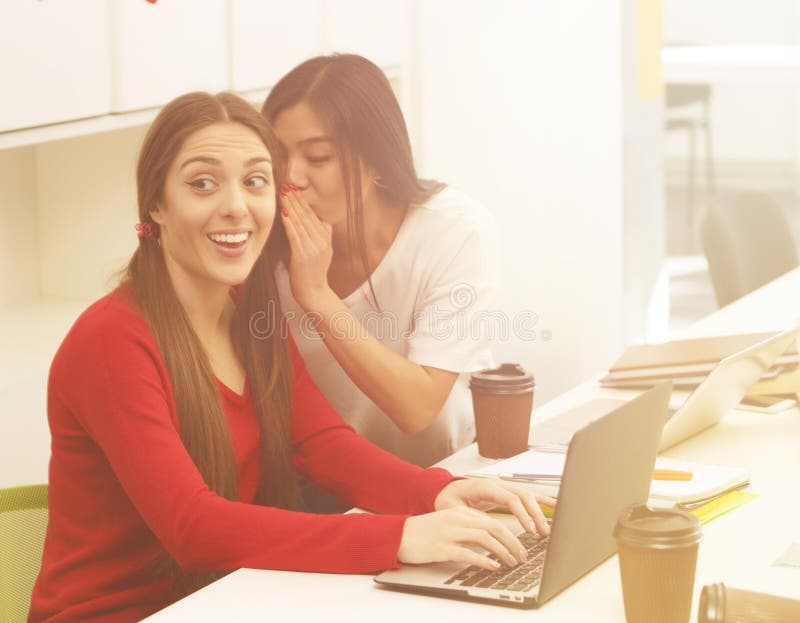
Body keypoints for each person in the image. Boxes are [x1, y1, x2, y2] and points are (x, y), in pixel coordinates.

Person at [27, 91, 552, 623]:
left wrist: (440, 493)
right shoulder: (110, 341)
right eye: (202, 183)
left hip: (230, 600)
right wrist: (399, 535)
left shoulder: (249, 314)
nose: (236, 206)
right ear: (156, 205)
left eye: (255, 181)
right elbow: (193, 527)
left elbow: (321, 444)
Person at [262, 54, 499, 473]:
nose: (292, 177)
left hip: (447, 474)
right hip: (322, 487)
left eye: (317, 158)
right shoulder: (263, 244)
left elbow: (418, 408)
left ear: (376, 160)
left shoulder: (453, 230)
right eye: (278, 156)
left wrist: (317, 296)